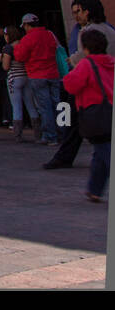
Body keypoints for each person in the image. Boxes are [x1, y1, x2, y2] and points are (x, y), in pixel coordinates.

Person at [48, 0, 115, 169]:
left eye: (78, 11)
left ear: (88, 11)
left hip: (87, 84)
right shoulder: (109, 29)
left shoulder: (87, 31)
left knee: (71, 121)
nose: (76, 16)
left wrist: (72, 61)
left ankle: (64, 156)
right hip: (106, 82)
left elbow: (83, 56)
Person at [61, 28, 112, 203]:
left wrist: (73, 68)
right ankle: (94, 189)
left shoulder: (86, 64)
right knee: (100, 153)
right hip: (110, 110)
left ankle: (94, 189)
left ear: (86, 48)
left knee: (105, 149)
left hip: (96, 114)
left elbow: (71, 85)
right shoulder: (111, 61)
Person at [14, 14, 61, 144]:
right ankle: (62, 133)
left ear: (26, 25)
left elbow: (20, 57)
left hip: (37, 75)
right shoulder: (49, 34)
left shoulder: (27, 39)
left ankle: (50, 136)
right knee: (57, 104)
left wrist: (16, 47)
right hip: (53, 73)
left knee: (45, 107)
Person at [0, 25, 37, 142]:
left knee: (17, 106)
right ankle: (38, 132)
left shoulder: (8, 48)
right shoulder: (23, 45)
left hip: (14, 78)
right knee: (31, 106)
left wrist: (1, 59)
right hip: (26, 76)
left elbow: (6, 66)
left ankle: (18, 135)